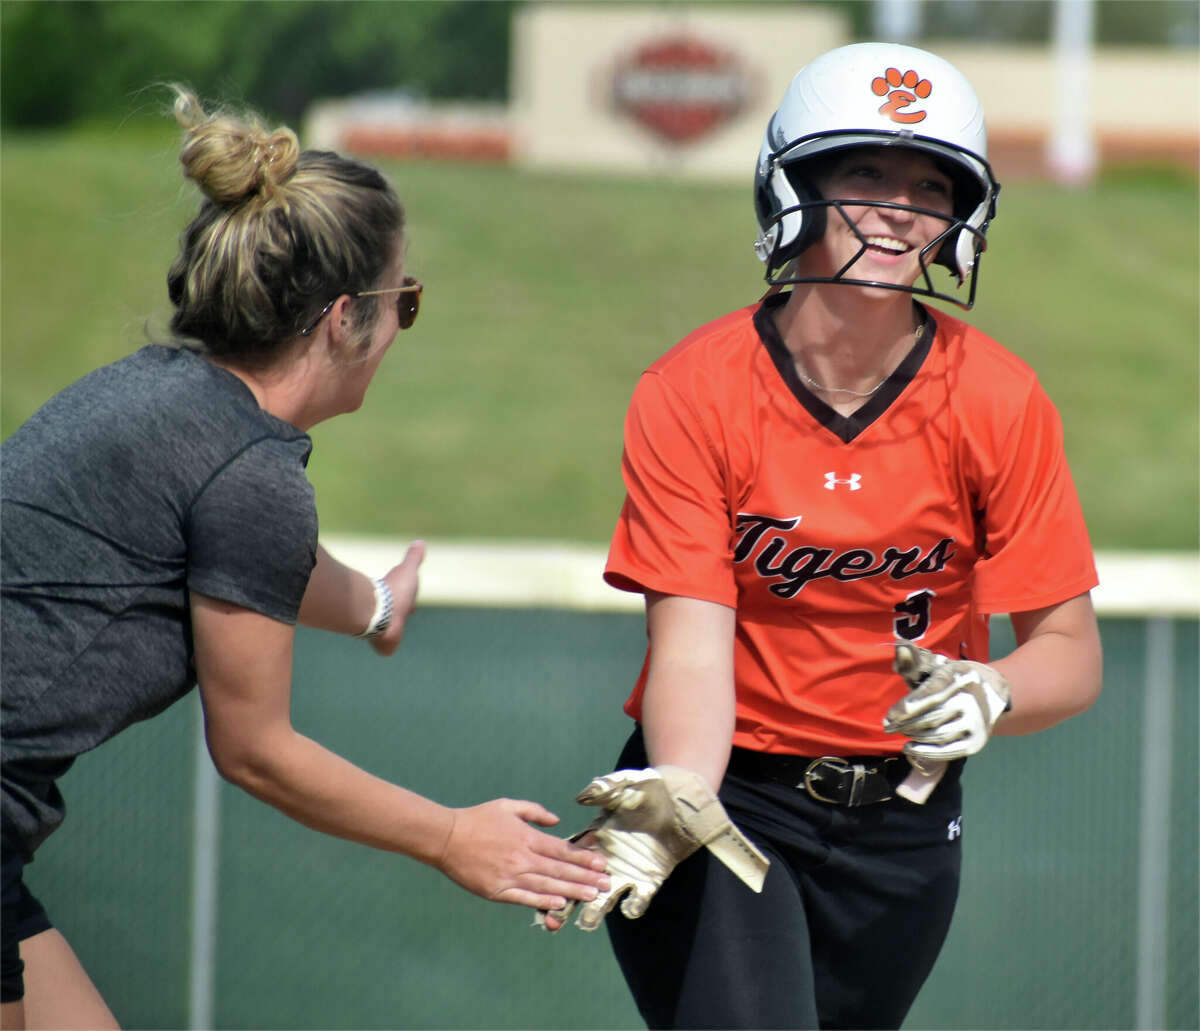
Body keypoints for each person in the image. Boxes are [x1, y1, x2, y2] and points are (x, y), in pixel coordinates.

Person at [0, 86, 608, 1030]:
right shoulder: (252, 474)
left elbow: (252, 563)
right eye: (405, 298)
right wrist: (453, 837)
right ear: (341, 319)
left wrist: (375, 606)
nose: (404, 323)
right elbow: (257, 754)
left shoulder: (158, 395)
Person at [543, 42, 1103, 1029]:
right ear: (793, 186)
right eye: (865, 171)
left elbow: (1072, 650)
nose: (900, 206)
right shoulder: (695, 389)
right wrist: (678, 792)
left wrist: (999, 689)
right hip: (734, 796)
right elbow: (690, 649)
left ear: (960, 220)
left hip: (906, 827)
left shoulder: (999, 398)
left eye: (932, 185)